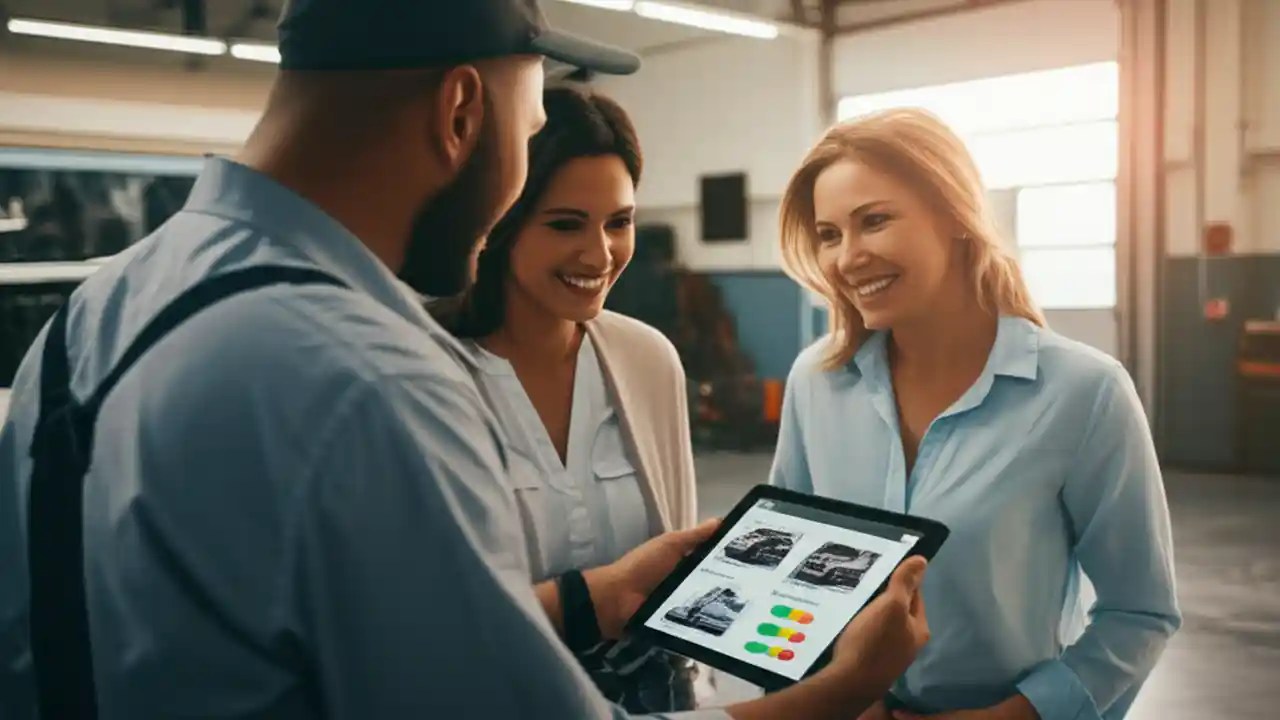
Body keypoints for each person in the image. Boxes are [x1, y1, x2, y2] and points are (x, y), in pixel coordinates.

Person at [0, 2, 931, 718]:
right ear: (460, 110)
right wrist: (830, 696)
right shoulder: (368, 373)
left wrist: (597, 596)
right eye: (529, 135)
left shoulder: (94, 316)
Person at [769, 107, 1181, 720]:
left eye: (874, 221)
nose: (847, 257)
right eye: (829, 234)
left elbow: (1139, 612)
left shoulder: (1083, 392)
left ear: (954, 216)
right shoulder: (816, 382)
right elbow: (788, 574)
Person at [428, 85, 700, 712]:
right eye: (565, 224)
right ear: (500, 222)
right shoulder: (425, 369)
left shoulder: (647, 359)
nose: (599, 254)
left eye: (619, 223)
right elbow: (418, 616)